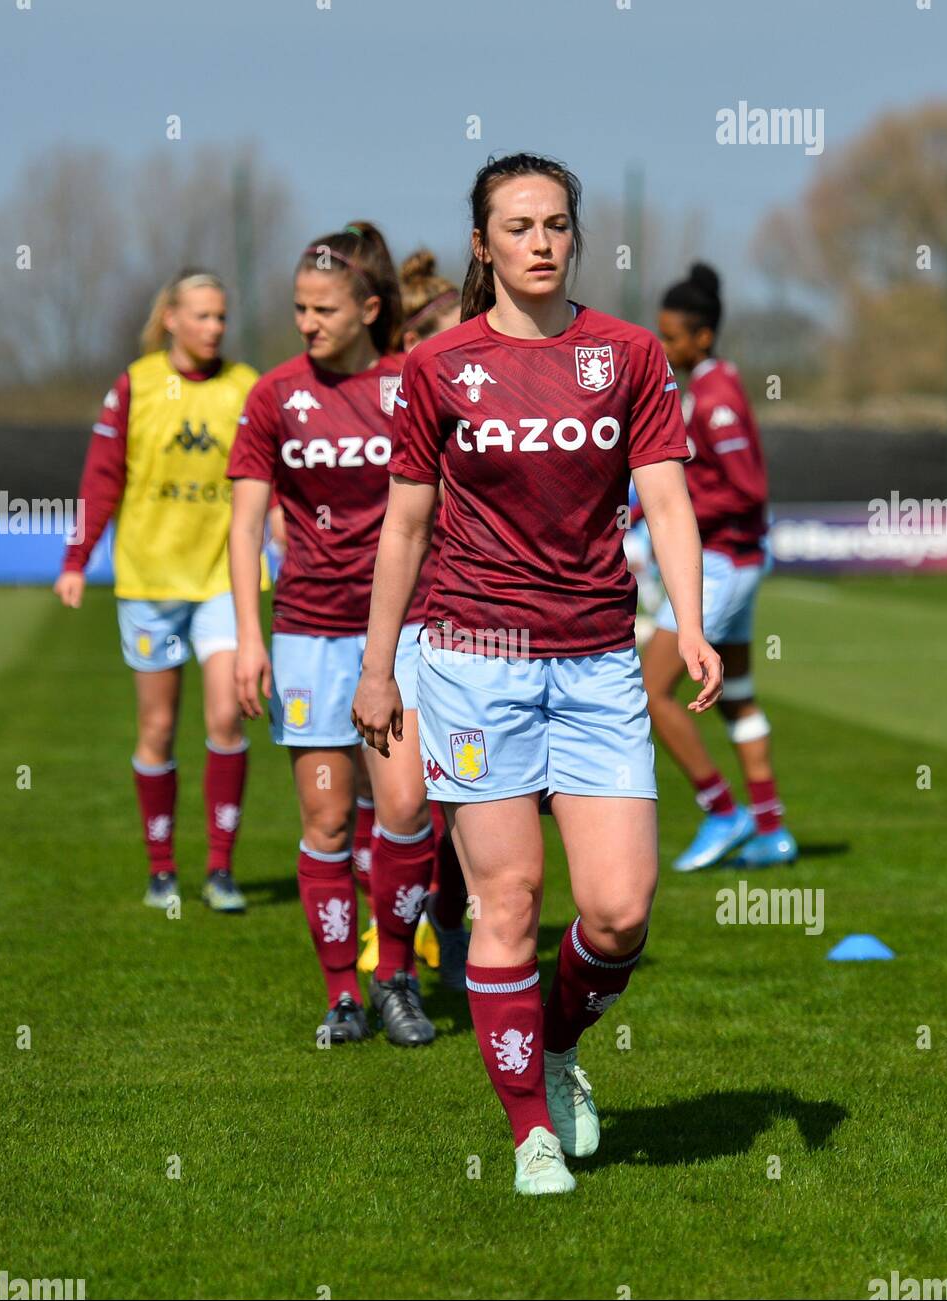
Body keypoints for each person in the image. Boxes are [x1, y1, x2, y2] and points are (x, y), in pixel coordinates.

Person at [351, 153, 722, 1195]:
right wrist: (380, 670)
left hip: (600, 662)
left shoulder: (631, 355)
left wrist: (686, 624)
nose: (541, 242)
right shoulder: (438, 368)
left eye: (556, 223)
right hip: (474, 662)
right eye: (517, 226)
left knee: (616, 912)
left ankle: (555, 1048)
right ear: (482, 245)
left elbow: (666, 500)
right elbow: (407, 524)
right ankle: (529, 1134)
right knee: (507, 899)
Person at [227, 222, 438, 1047]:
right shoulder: (274, 395)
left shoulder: (410, 383)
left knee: (405, 805)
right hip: (308, 633)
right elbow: (246, 529)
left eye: (322, 309)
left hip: (403, 629)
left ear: (369, 308)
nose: (306, 323)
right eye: (297, 309)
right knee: (323, 821)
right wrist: (250, 638)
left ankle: (398, 979)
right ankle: (341, 996)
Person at [55, 268, 262, 912]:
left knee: (228, 716)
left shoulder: (247, 387)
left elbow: (274, 477)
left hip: (224, 578)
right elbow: (102, 477)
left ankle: (221, 870)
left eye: (221, 317)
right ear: (171, 318)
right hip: (149, 579)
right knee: (159, 724)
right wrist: (75, 558)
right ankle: (162, 868)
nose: (214, 328)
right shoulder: (136, 385)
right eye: (202, 315)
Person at [644, 263, 797, 870]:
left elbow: (747, 489)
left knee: (651, 691)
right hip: (734, 560)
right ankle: (772, 830)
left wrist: (670, 509)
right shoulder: (710, 387)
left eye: (672, 337)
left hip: (721, 563)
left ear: (701, 337)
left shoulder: (715, 396)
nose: (664, 347)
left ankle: (720, 810)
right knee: (737, 696)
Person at [356, 248, 471, 989]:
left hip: (470, 623)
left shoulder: (480, 389)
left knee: (467, 798)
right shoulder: (381, 394)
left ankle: (449, 925)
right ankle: (385, 945)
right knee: (388, 801)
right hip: (383, 621)